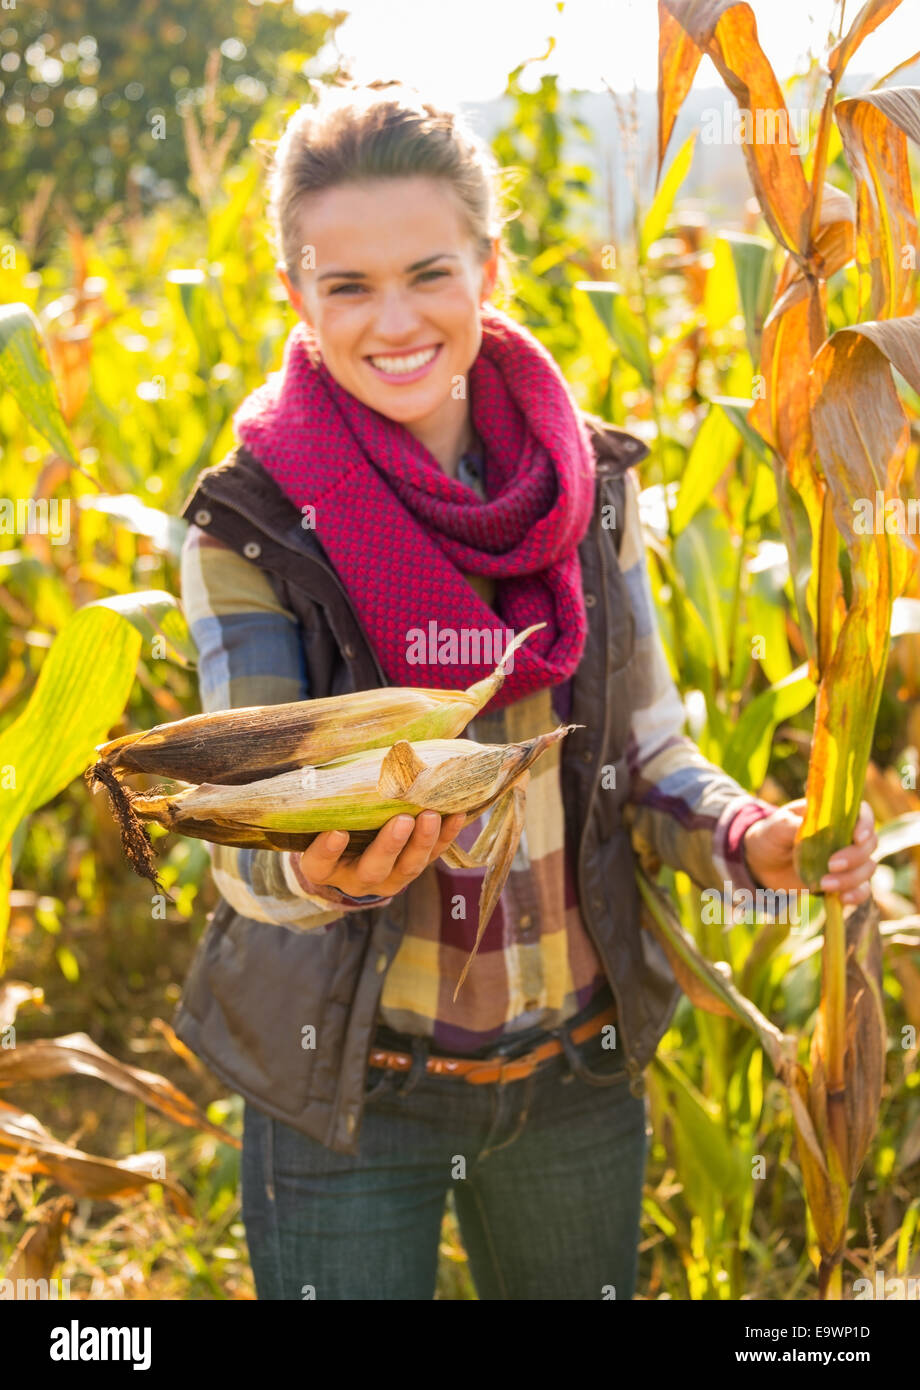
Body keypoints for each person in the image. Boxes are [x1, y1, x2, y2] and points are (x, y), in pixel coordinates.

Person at [174, 80, 877, 1301]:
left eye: (428, 271)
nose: (393, 320)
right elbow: (240, 826)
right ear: (295, 295)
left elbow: (650, 749)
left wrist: (750, 837)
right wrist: (306, 870)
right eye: (347, 286)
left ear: (489, 267)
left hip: (572, 1080)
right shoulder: (249, 521)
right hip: (347, 1092)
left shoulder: (587, 486)